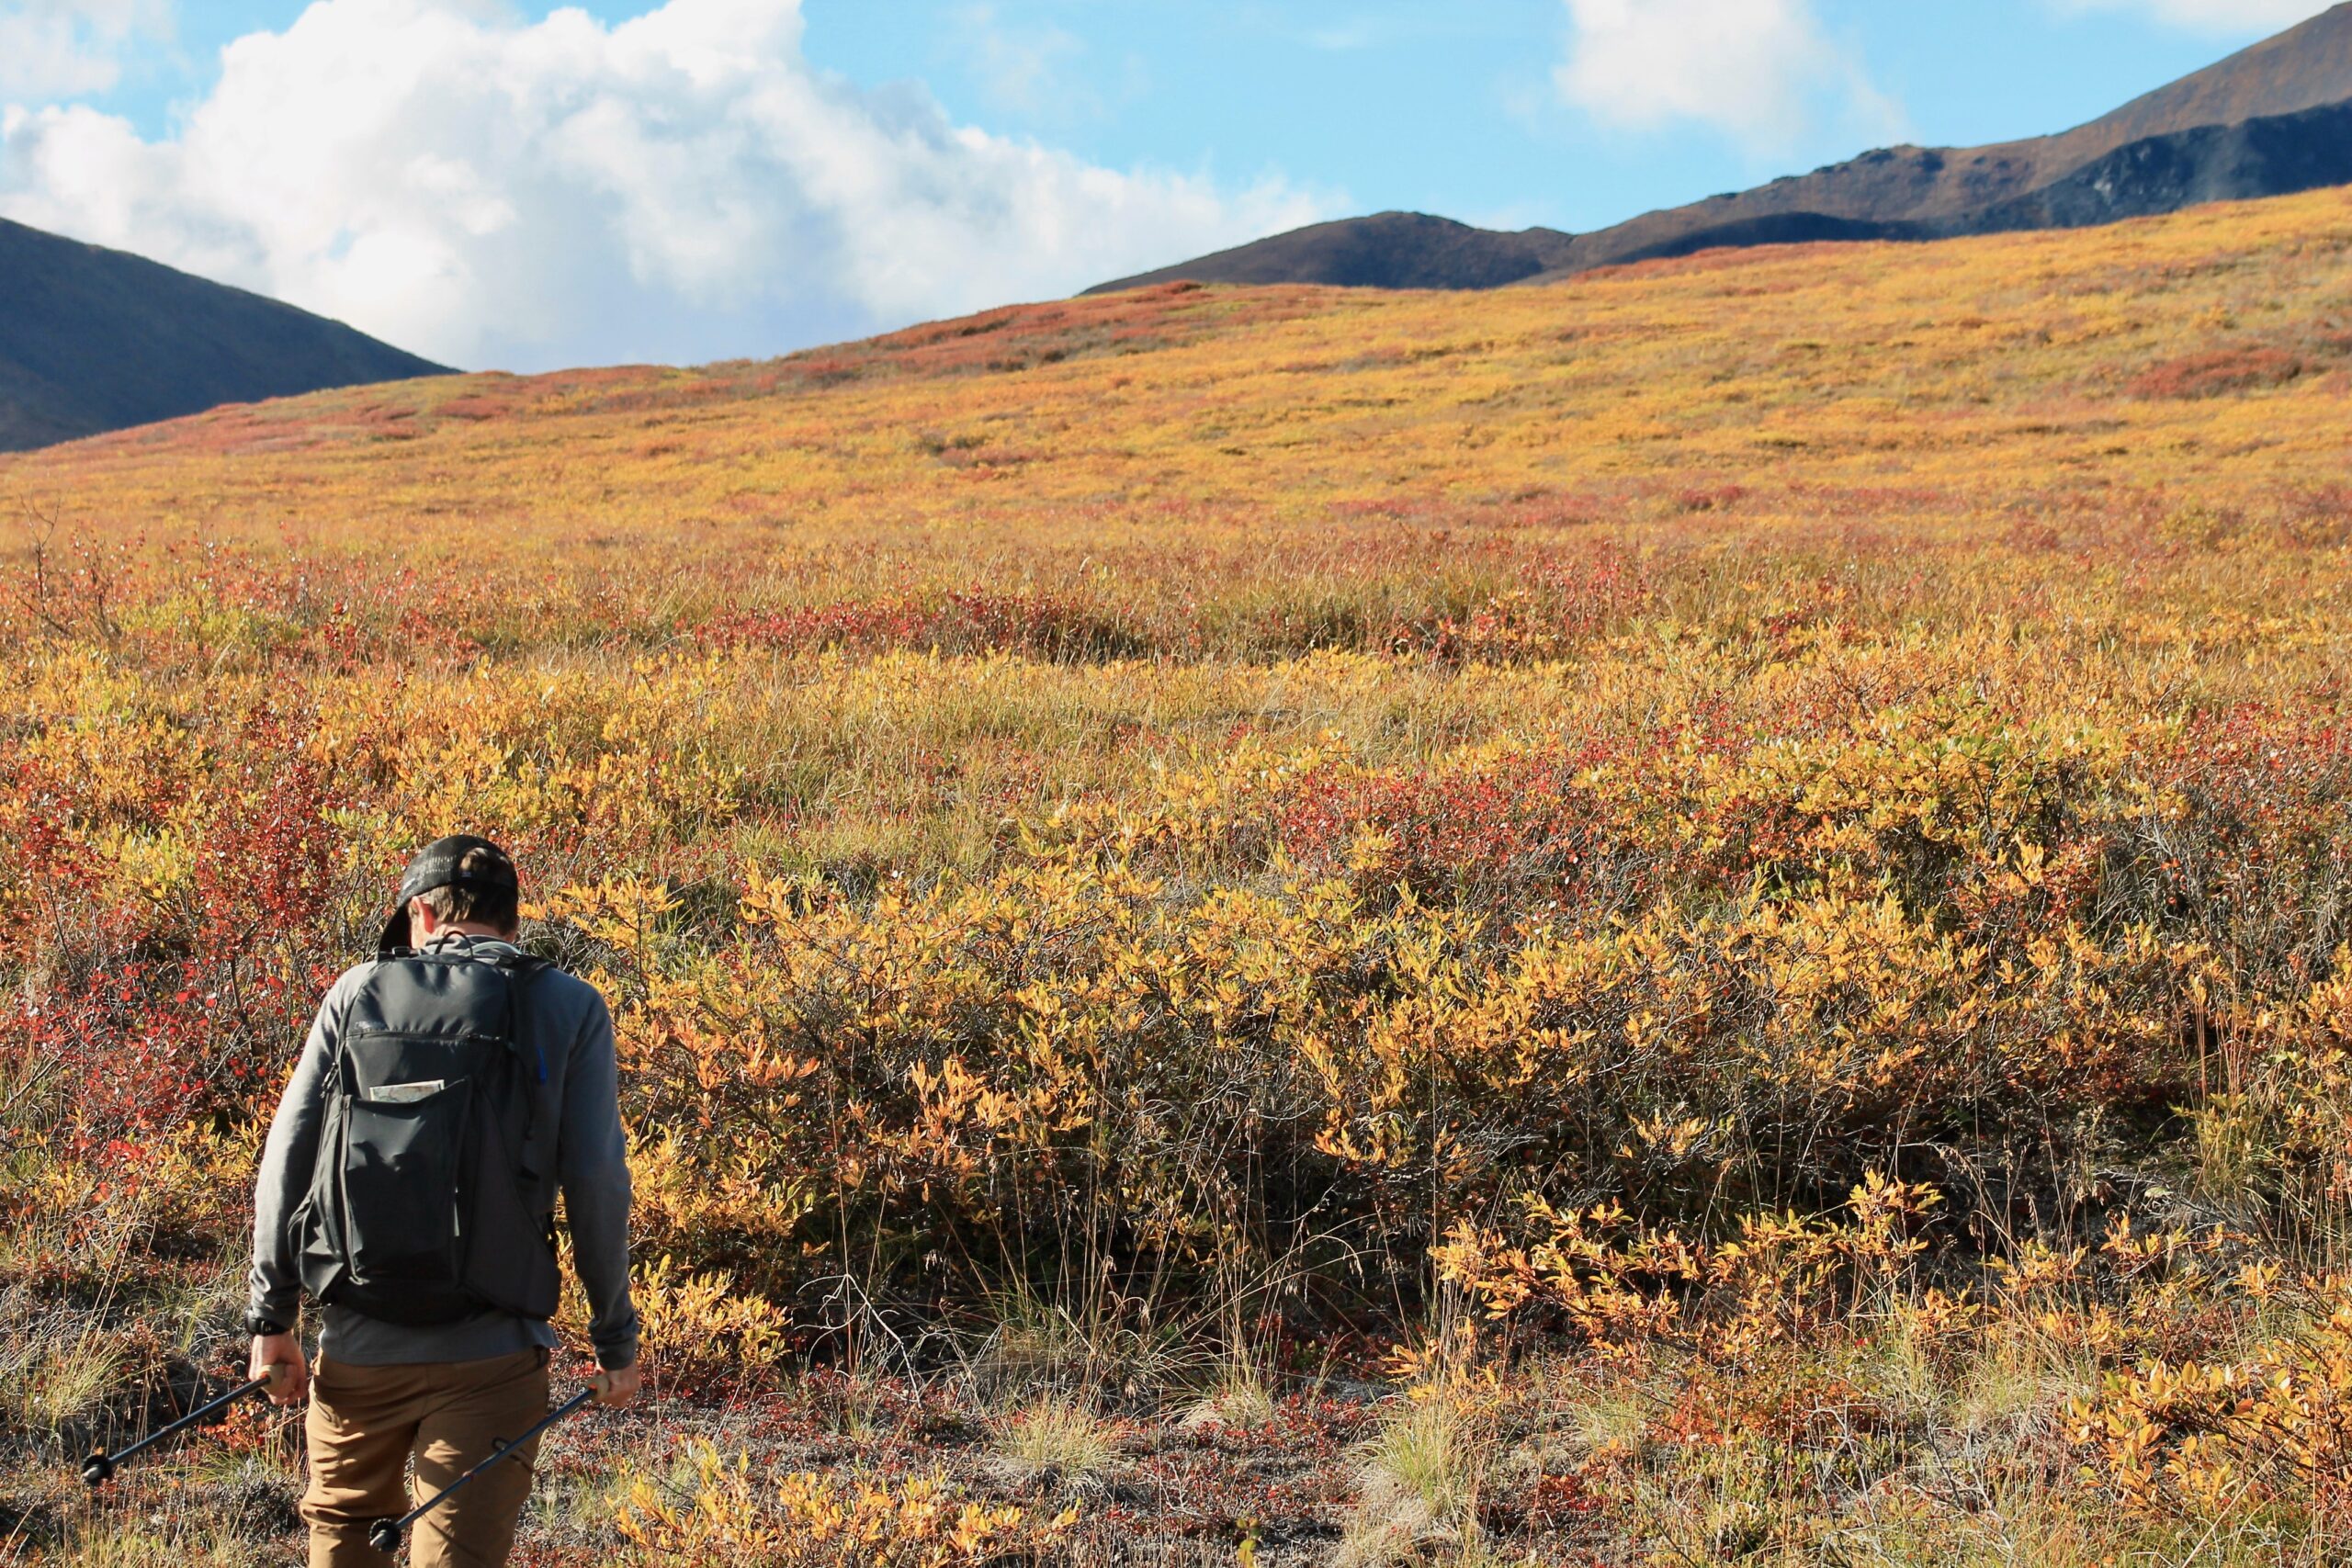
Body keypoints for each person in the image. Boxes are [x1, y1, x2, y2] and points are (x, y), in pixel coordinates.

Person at [246, 834, 641, 1567]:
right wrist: (615, 1338)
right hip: (492, 1356)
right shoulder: (569, 1005)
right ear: (512, 923)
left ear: (420, 913)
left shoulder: (356, 990)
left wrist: (271, 1317)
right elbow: (596, 1182)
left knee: (343, 1544)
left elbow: (288, 1158)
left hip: (357, 1345)